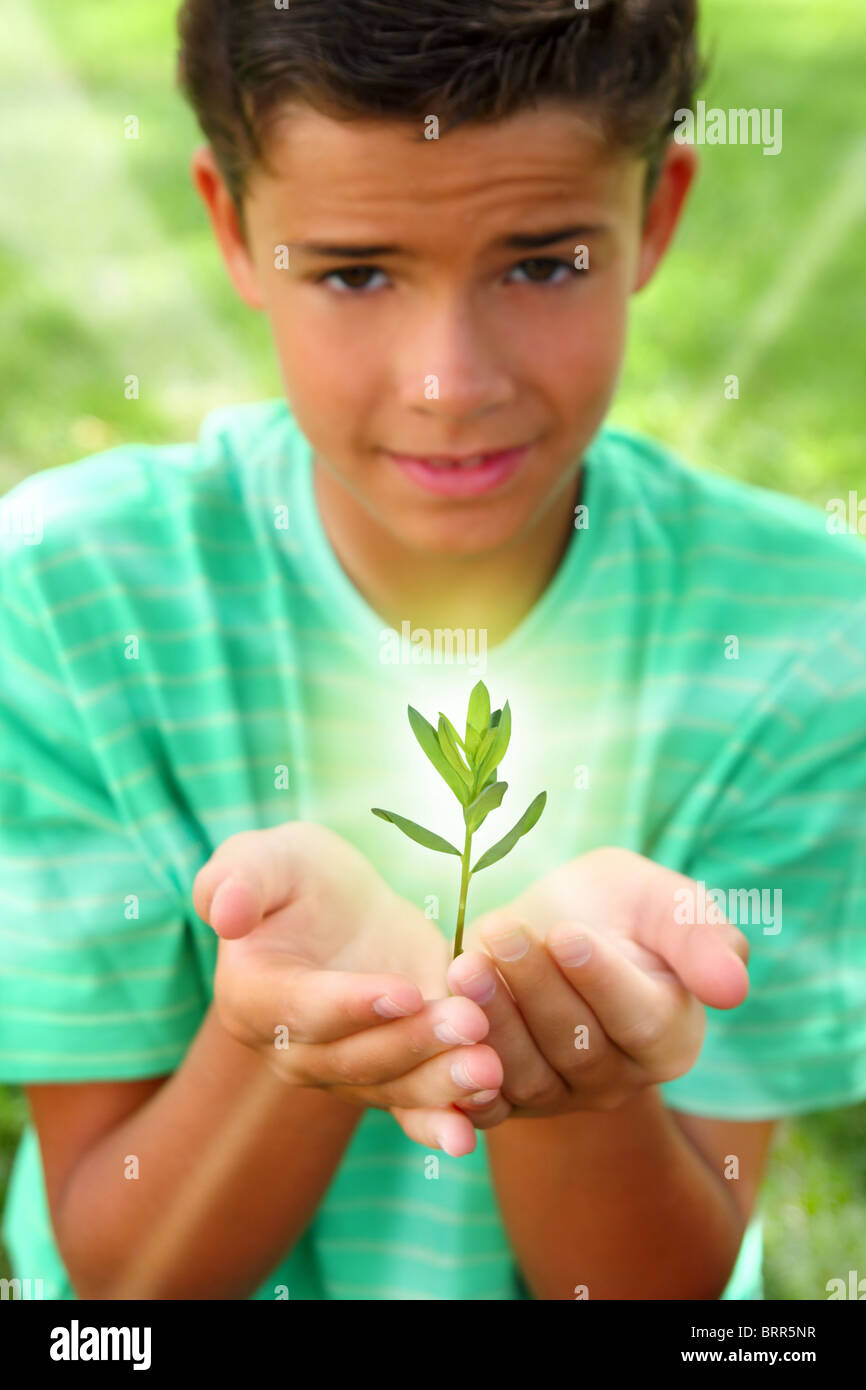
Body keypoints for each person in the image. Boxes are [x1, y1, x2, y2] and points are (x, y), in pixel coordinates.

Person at [1, 0, 864, 1301]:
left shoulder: (806, 639)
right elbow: (128, 1291)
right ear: (234, 226)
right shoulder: (67, 604)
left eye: (541, 261)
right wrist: (281, 1037)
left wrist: (570, 1064)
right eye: (354, 271)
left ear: (658, 212)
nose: (447, 380)